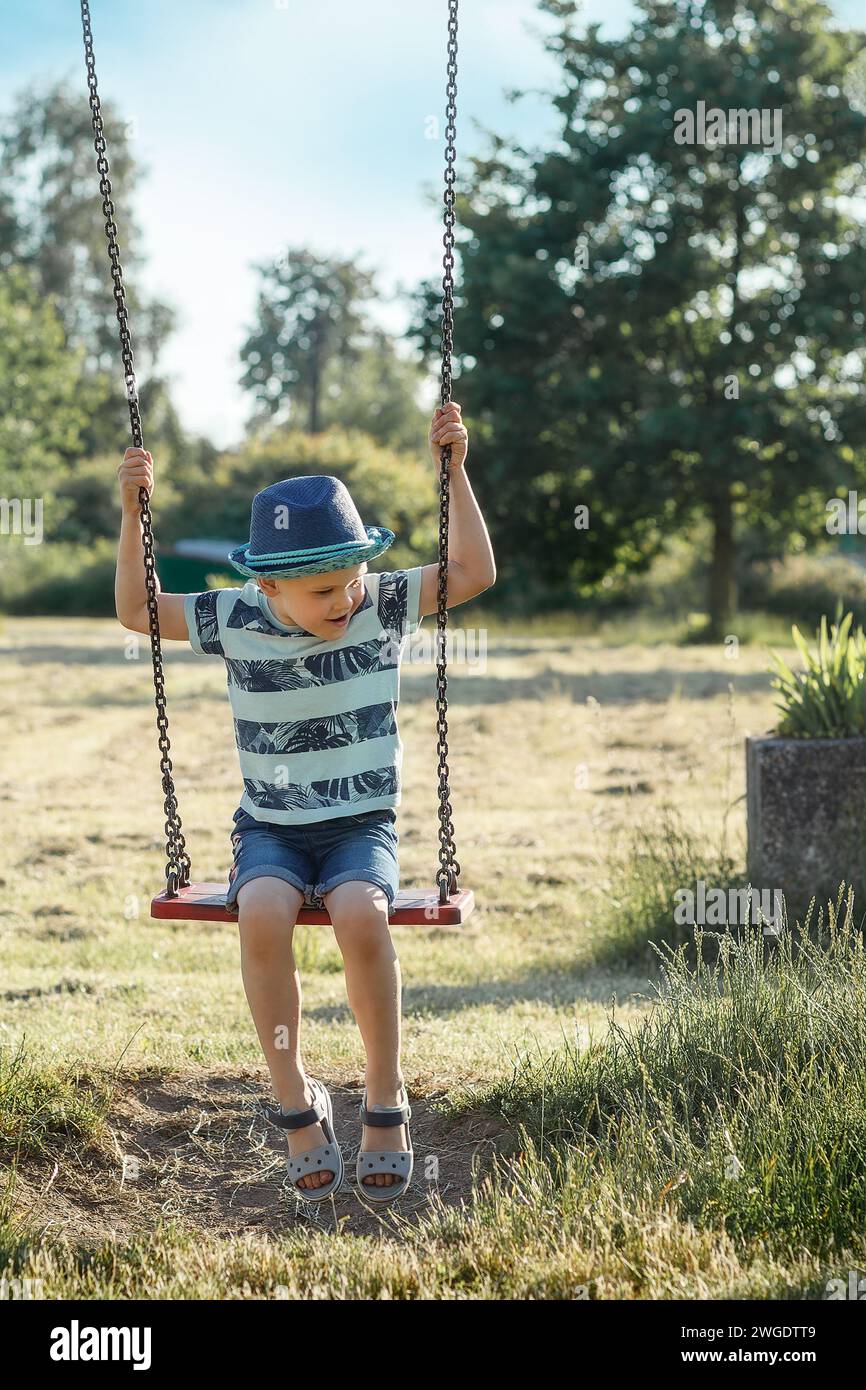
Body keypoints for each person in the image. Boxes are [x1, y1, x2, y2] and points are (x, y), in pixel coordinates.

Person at [115, 402, 496, 1204]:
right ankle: (295, 1098)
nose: (346, 599)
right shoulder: (234, 618)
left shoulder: (383, 606)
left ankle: (384, 1097)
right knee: (259, 915)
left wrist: (454, 472)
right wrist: (131, 514)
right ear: (268, 585)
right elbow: (138, 611)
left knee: (361, 913)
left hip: (361, 826)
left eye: (354, 578)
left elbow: (472, 574)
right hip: (272, 832)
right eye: (325, 588)